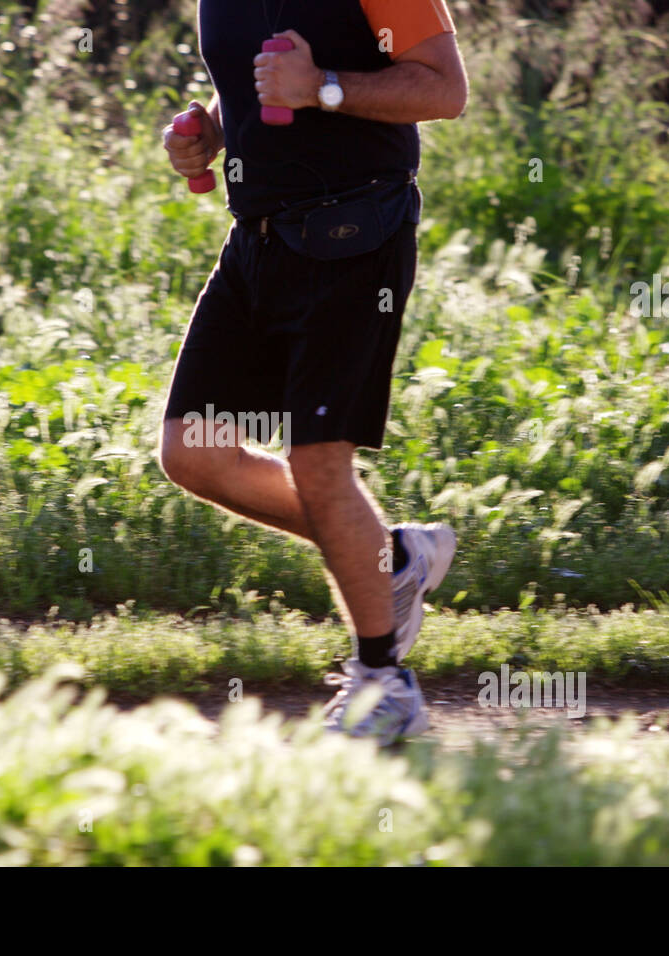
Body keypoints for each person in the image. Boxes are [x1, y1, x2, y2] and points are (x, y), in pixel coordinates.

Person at [158, 1, 468, 743]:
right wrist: (210, 132)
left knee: (319, 464)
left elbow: (443, 90)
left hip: (358, 231)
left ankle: (385, 686)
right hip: (258, 240)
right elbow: (260, 88)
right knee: (192, 450)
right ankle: (391, 559)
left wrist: (323, 85)